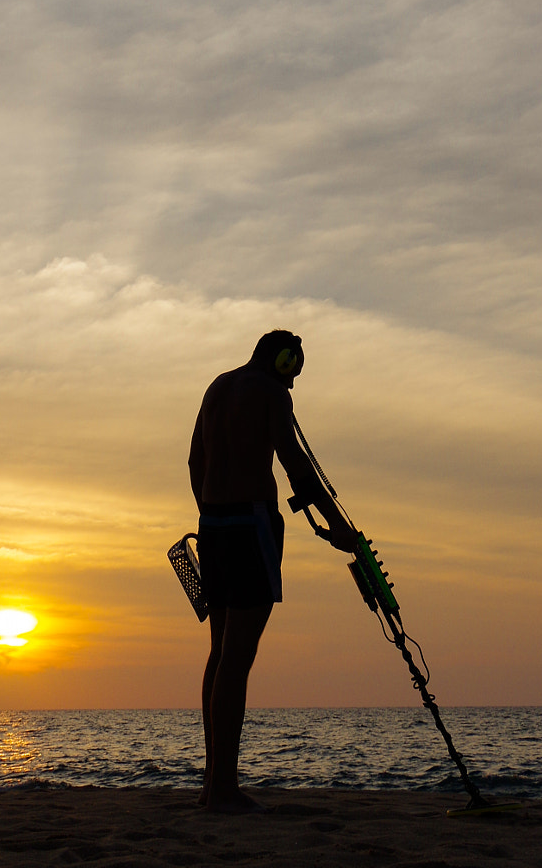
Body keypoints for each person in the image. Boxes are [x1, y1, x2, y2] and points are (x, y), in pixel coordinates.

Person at [188, 329, 355, 812]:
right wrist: (336, 523)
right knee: (237, 658)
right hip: (250, 527)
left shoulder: (217, 387)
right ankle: (223, 789)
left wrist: (211, 510)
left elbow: (195, 461)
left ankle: (212, 783)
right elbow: (294, 463)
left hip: (212, 527)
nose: (294, 381)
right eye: (293, 369)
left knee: (220, 654)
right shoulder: (271, 392)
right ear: (281, 360)